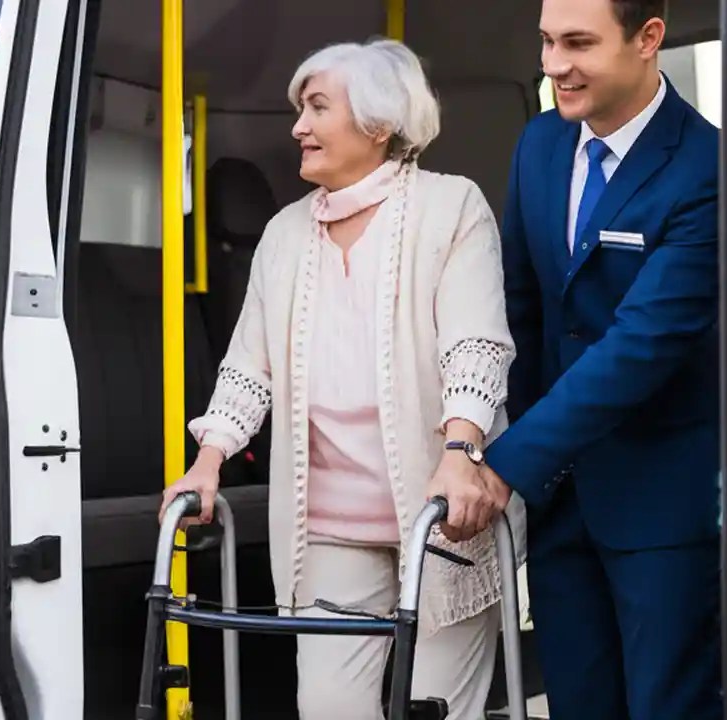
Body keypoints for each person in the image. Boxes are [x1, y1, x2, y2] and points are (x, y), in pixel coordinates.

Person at [160, 38, 524, 720]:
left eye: (317, 107)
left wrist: (460, 453)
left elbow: (475, 344)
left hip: (441, 514)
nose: (298, 126)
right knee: (329, 706)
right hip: (330, 522)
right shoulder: (283, 235)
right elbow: (248, 367)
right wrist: (206, 462)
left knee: (434, 708)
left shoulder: (452, 209)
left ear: (380, 124)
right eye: (300, 108)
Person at [455, 1, 727, 718]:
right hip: (561, 499)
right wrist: (483, 440)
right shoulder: (539, 146)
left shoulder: (708, 166)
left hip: (667, 509)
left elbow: (639, 347)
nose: (554, 65)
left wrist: (504, 464)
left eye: (578, 43)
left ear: (648, 39)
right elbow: (520, 310)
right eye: (546, 42)